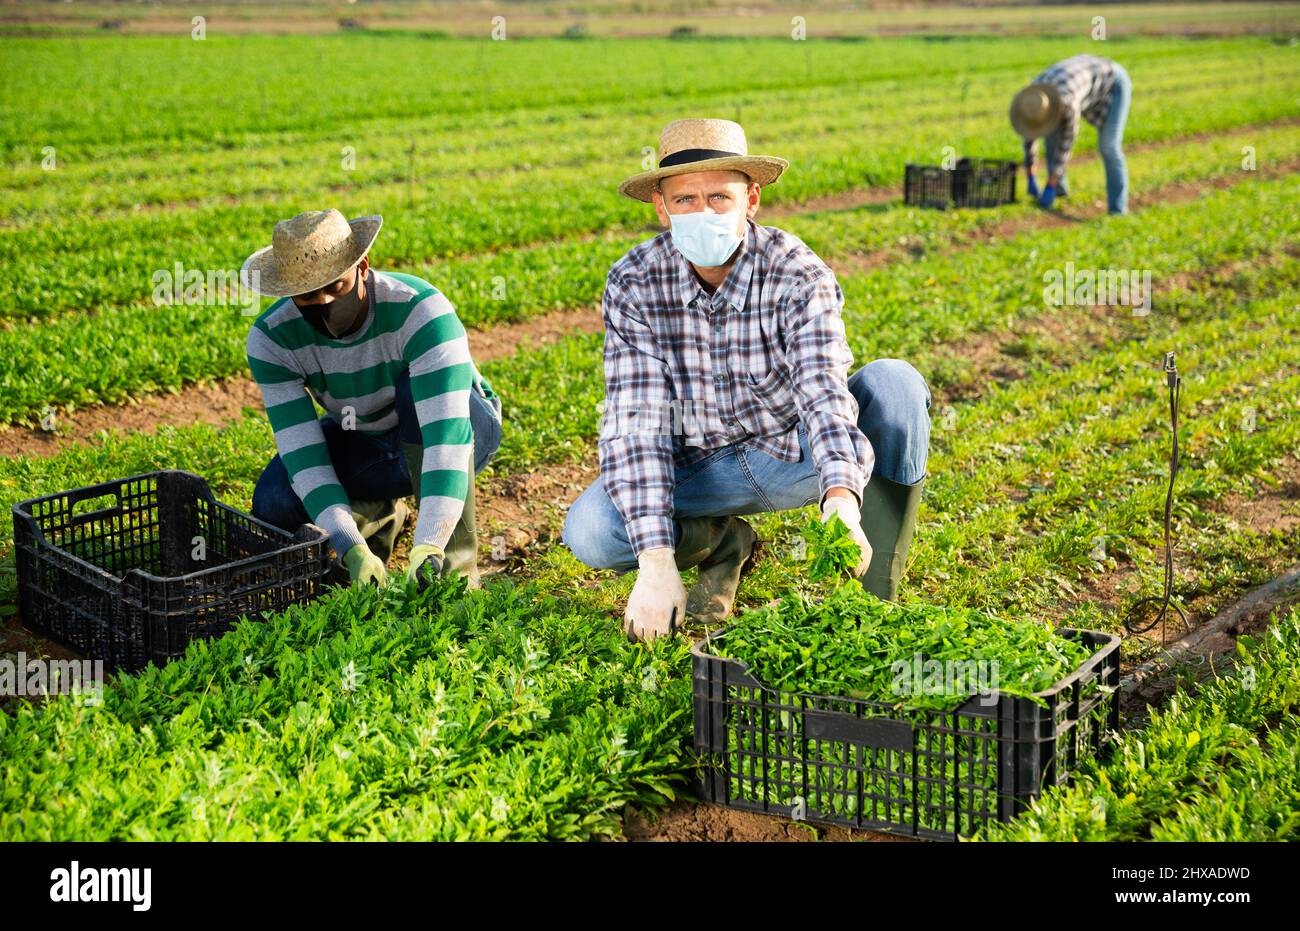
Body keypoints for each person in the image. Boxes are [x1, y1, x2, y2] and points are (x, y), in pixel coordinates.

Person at [562, 119, 931, 643]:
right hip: (700, 468)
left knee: (895, 385)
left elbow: (822, 391)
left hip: (789, 453)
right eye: (685, 200)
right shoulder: (634, 280)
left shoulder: (796, 272)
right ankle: (722, 543)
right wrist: (656, 560)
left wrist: (843, 500)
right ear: (661, 208)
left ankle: (874, 600)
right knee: (594, 532)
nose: (703, 212)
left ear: (751, 199)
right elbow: (635, 420)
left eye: (719, 197)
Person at [240, 209, 501, 588]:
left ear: (363, 266)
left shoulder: (421, 310)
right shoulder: (272, 340)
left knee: (413, 390)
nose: (325, 302)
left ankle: (453, 571)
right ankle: (377, 525)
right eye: (307, 295)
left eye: (335, 286)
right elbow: (304, 454)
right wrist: (350, 547)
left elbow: (446, 442)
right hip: (366, 436)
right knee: (275, 500)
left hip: (460, 429)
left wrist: (429, 544)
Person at [1011, 54, 1131, 215]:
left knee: (1108, 146)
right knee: (1051, 132)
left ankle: (1118, 209)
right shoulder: (1033, 98)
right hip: (1084, 76)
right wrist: (1030, 171)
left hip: (1112, 81)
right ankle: (1060, 190)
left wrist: (1050, 183)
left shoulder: (1068, 103)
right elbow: (1030, 132)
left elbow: (1066, 143)